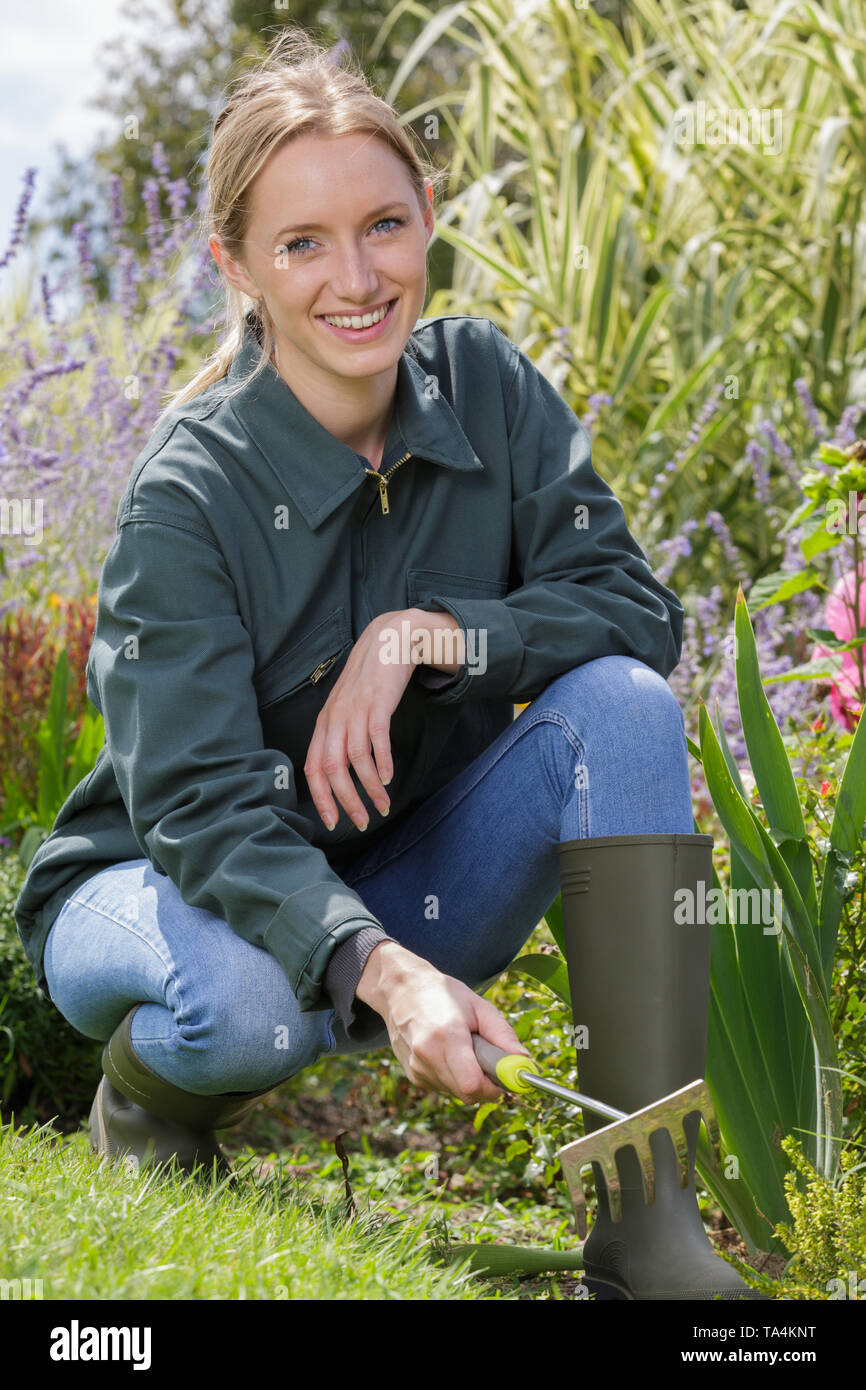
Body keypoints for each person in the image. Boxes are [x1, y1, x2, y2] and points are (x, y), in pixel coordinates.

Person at [13, 27, 762, 1300]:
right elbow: (194, 807)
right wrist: (387, 968)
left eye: (384, 226)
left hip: (399, 875)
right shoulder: (185, 497)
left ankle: (645, 1232)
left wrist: (429, 634)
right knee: (253, 1001)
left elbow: (636, 614)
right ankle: (147, 1104)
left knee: (621, 708)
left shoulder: (487, 387)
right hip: (151, 886)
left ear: (428, 222)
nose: (353, 278)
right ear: (234, 268)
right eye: (301, 243)